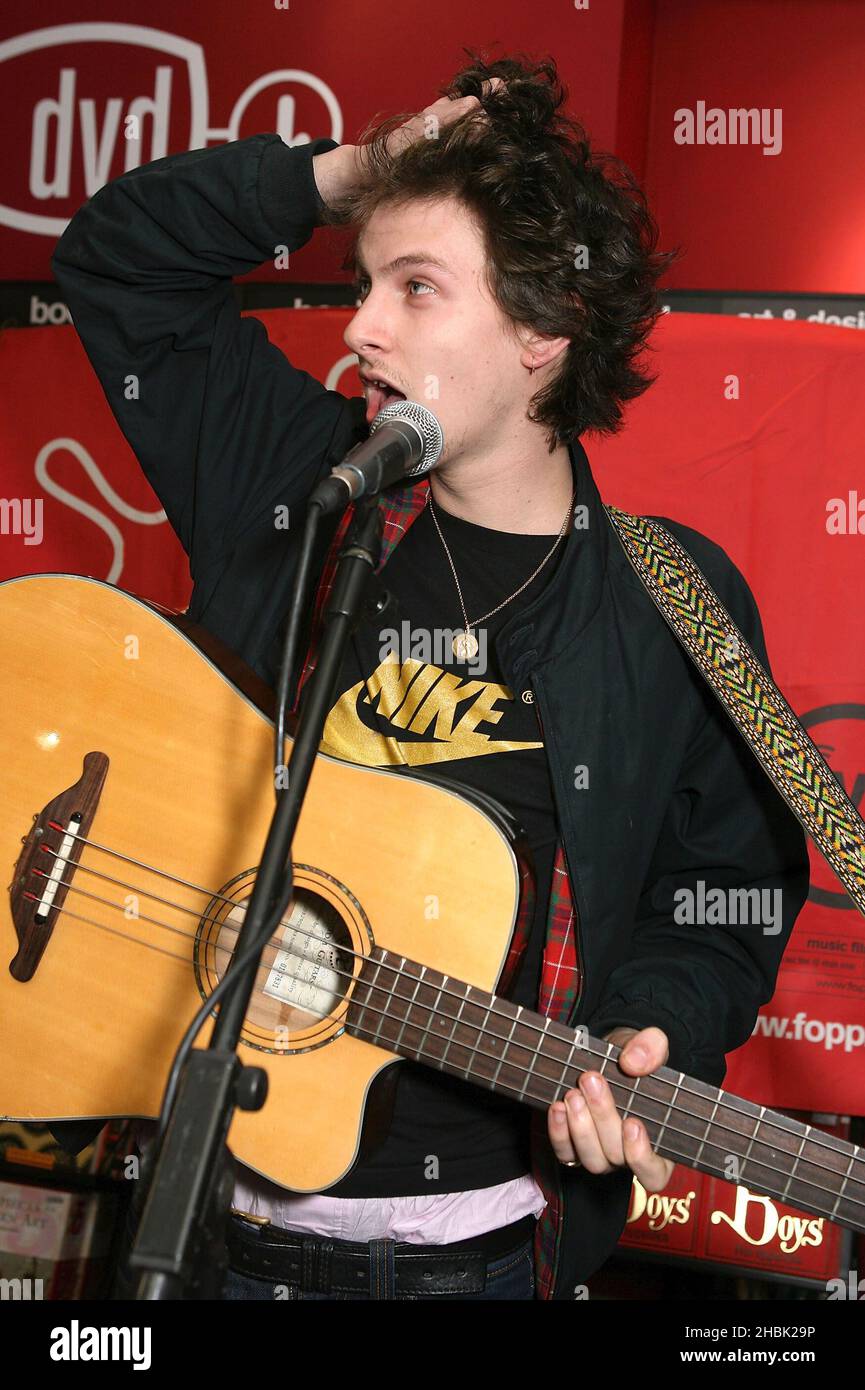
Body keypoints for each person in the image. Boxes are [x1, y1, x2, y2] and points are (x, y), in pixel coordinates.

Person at [50, 51, 810, 1301]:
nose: (360, 327)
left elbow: (725, 889)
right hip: (215, 1232)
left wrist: (649, 1028)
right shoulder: (292, 481)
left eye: (416, 288)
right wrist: (356, 172)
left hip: (489, 1255)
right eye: (363, 284)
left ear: (540, 333)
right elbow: (119, 258)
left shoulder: (682, 601)